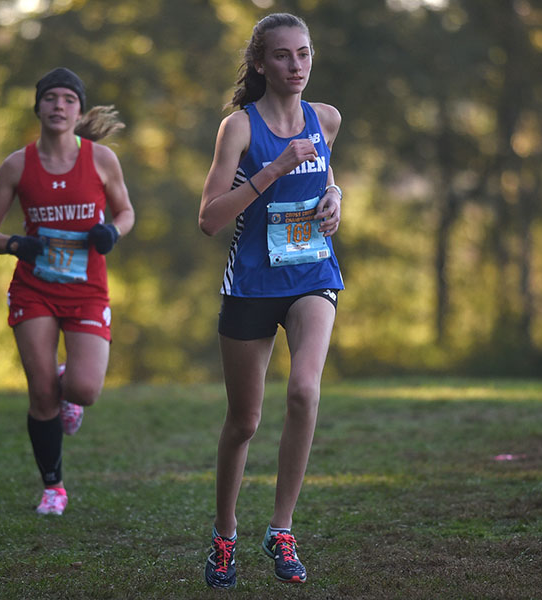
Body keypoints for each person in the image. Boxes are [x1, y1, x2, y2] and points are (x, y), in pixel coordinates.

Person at [198, 13, 343, 588]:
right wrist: (274, 169)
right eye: (283, 55)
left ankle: (282, 529)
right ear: (260, 63)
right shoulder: (239, 128)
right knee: (244, 422)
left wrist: (336, 197)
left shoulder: (326, 119)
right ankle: (225, 534)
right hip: (252, 283)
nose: (296, 65)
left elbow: (326, 178)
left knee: (305, 390)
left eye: (304, 53)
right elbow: (210, 219)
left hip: (312, 275)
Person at [0, 67, 134, 516]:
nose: (58, 105)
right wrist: (14, 245)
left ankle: (68, 388)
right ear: (38, 107)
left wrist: (111, 232)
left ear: (79, 111)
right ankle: (53, 487)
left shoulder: (102, 160)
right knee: (41, 391)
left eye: (68, 99)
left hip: (87, 289)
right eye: (50, 98)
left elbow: (126, 212)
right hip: (34, 289)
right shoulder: (17, 165)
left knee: (84, 390)